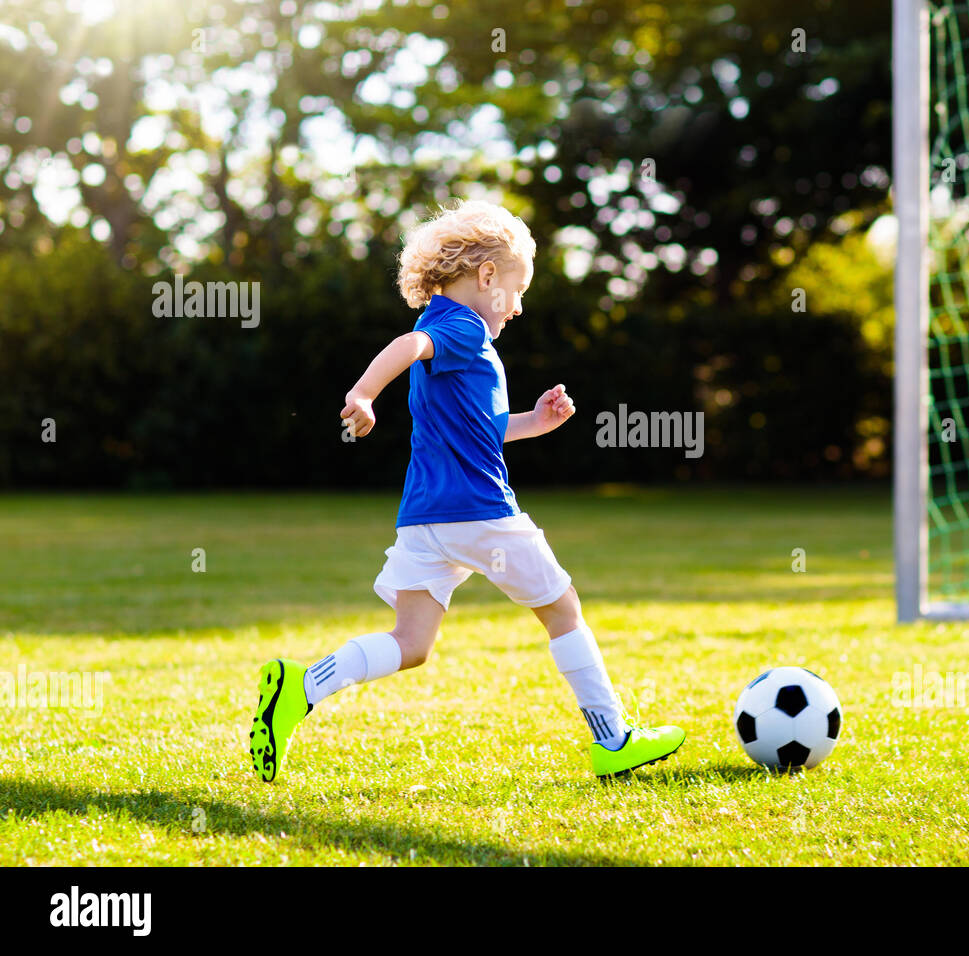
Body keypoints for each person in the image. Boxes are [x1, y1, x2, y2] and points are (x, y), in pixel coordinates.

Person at [248, 200, 685, 782]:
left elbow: (481, 427)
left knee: (411, 643)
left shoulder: (446, 327)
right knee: (563, 609)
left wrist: (533, 421)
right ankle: (613, 740)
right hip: (480, 512)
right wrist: (363, 394)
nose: (520, 304)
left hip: (424, 519)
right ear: (485, 277)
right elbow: (406, 348)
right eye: (517, 287)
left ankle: (300, 689)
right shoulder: (461, 326)